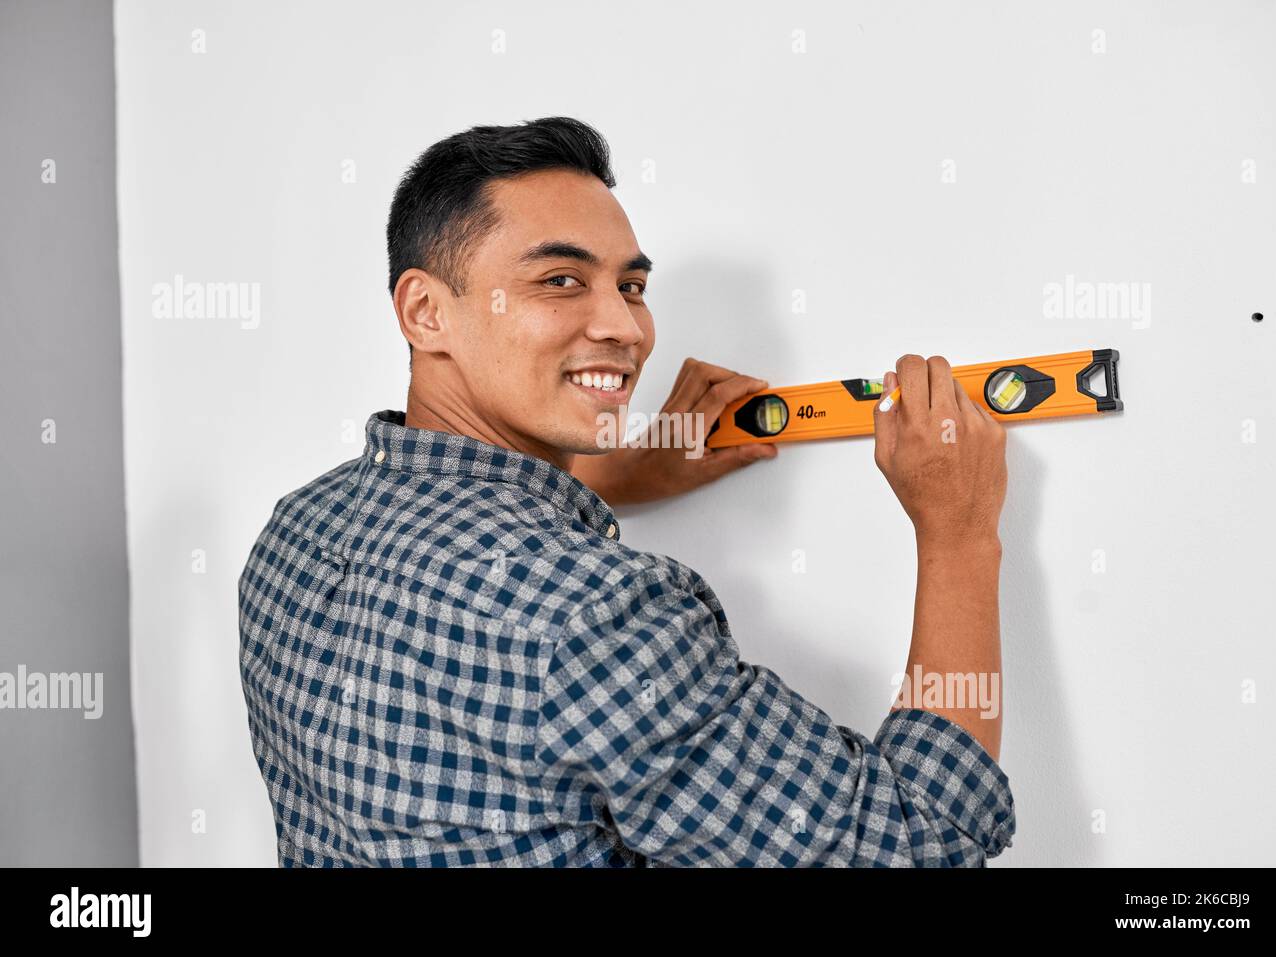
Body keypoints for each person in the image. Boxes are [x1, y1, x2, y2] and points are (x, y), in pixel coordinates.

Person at [237, 116, 1014, 866]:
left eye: (632, 284)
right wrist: (959, 532)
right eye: (560, 280)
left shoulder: (297, 532)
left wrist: (611, 471)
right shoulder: (589, 614)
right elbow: (918, 842)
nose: (626, 327)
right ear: (426, 310)